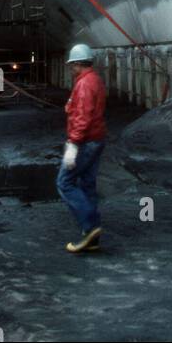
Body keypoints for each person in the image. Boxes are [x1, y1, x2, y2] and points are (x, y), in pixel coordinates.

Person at [56, 43, 106, 253]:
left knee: (64, 182)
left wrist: (73, 145)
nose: (70, 68)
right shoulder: (95, 80)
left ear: (78, 64)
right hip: (98, 138)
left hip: (85, 141)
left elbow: (82, 118)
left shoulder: (84, 84)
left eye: (72, 65)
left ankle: (91, 225)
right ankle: (91, 238)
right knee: (87, 184)